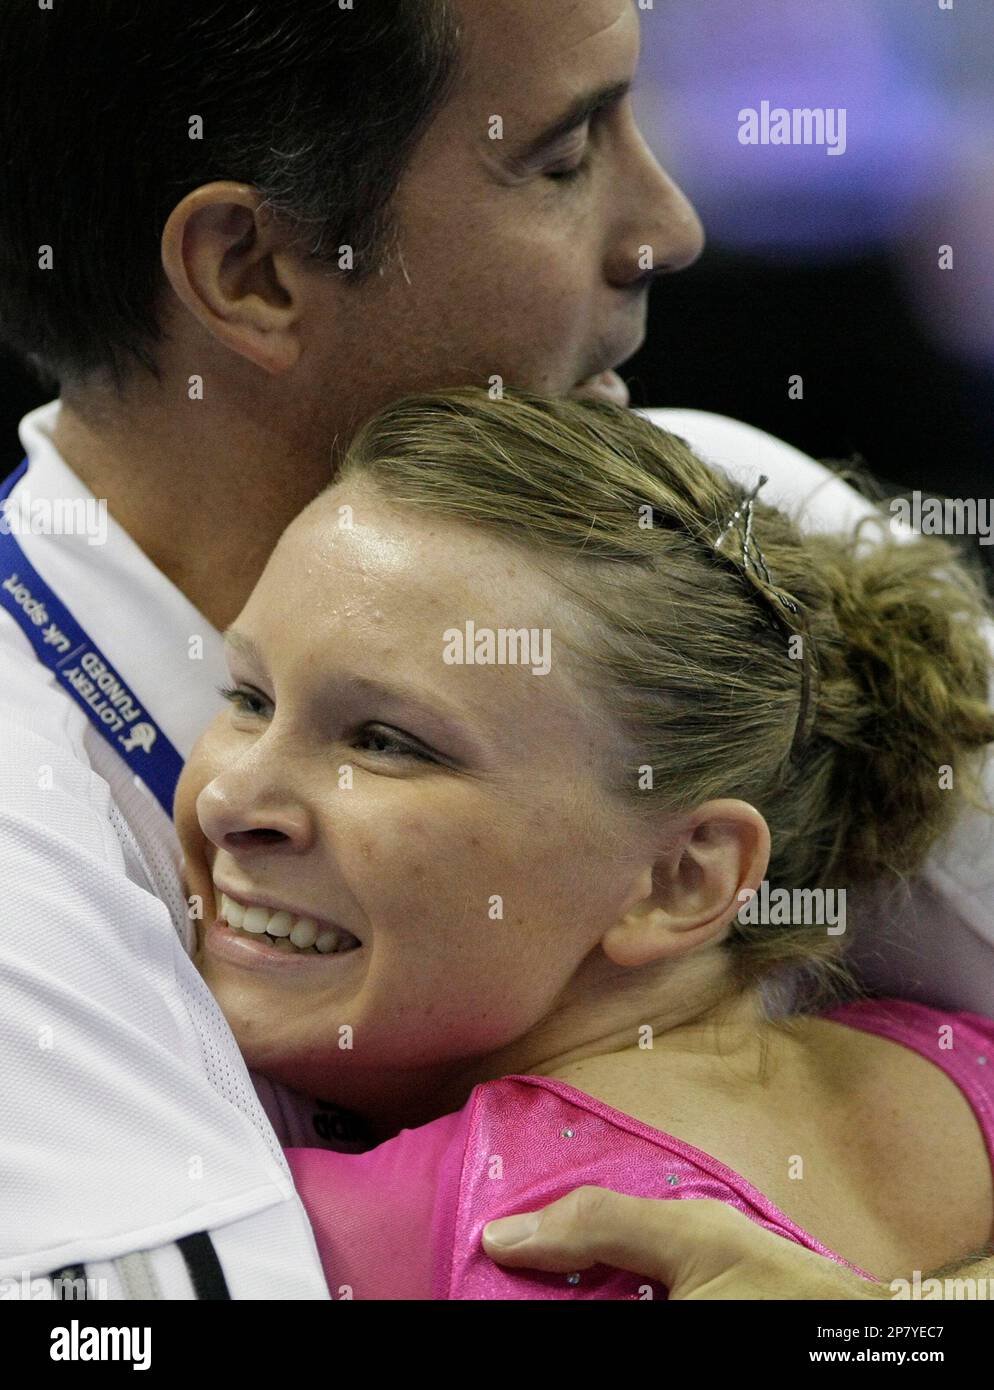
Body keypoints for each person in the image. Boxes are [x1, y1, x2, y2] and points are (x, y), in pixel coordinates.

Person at [0, 0, 991, 1302]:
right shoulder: (31, 841)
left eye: (387, 738)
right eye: (563, 158)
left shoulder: (723, 509)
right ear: (251, 267)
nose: (667, 228)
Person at [171, 386, 994, 1299]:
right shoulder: (959, 1064)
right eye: (247, 697)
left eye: (385, 743)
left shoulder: (394, 1233)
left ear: (681, 880)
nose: (230, 800)